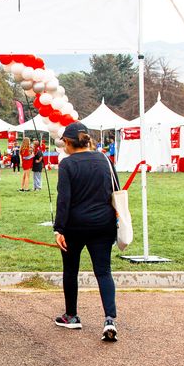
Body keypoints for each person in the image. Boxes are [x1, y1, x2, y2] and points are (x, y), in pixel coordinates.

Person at [53, 121, 119, 343]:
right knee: (104, 271)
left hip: (75, 225)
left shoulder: (67, 165)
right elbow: (116, 188)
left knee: (71, 270)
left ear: (69, 142)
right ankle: (110, 318)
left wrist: (58, 229)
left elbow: (64, 200)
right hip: (103, 223)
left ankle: (71, 315)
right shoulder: (105, 160)